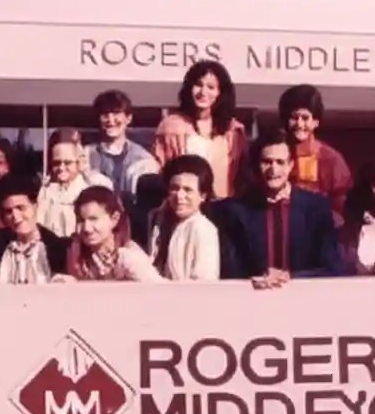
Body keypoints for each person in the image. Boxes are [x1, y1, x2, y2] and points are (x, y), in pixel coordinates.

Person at [215, 128, 344, 287]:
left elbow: (332, 267)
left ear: (291, 165)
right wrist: (259, 279)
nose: (273, 169)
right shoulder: (237, 210)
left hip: (304, 299)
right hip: (253, 299)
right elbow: (230, 269)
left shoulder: (316, 208)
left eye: (280, 162)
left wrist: (289, 277)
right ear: (257, 165)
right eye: (267, 162)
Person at [153, 60, 248, 199]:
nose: (203, 92)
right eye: (198, 85)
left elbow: (242, 175)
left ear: (220, 93)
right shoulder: (171, 127)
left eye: (211, 87)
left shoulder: (234, 131)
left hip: (224, 206)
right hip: (184, 205)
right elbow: (161, 172)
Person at [278, 84, 352, 227]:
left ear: (316, 122)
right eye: (294, 117)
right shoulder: (275, 155)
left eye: (305, 118)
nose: (299, 124)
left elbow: (343, 207)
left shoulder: (332, 160)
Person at [0, 173, 70, 284]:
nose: (15, 216)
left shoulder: (55, 247)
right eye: (8, 211)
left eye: (21, 208)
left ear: (35, 206)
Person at [61, 186, 164, 282]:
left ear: (114, 219)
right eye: (81, 221)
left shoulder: (128, 257)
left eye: (94, 219)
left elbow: (159, 289)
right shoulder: (77, 255)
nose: (87, 228)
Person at [148, 155, 222, 281]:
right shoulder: (159, 221)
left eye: (188, 190)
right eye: (174, 189)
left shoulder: (203, 230)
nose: (179, 196)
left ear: (202, 195)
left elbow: (204, 279)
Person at [85, 89, 160, 202]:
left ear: (128, 118)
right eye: (105, 115)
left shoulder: (143, 159)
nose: (110, 120)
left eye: (116, 113)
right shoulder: (85, 155)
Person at [38, 128, 109, 237]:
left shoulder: (92, 186)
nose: (61, 168)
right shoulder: (45, 190)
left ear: (78, 162)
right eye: (56, 163)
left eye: (67, 163)